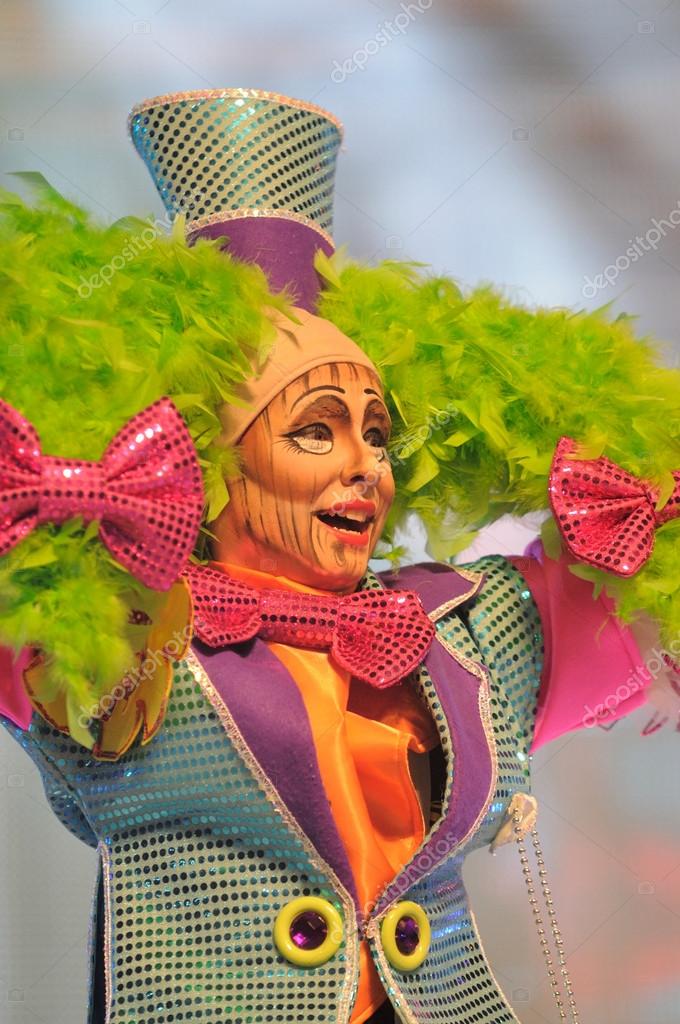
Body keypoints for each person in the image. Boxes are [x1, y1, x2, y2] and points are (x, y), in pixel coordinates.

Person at [0, 88, 678, 1024]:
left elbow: (649, 532)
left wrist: (552, 393)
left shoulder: (468, 625)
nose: (369, 468)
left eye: (379, 433)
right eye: (317, 430)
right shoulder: (103, 628)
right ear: (211, 456)